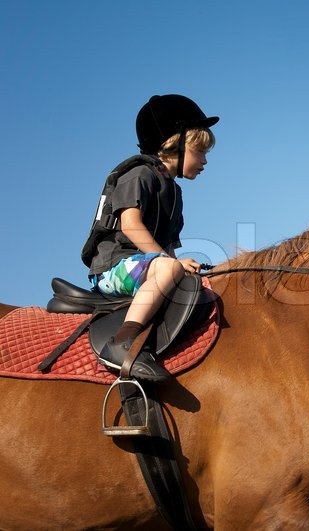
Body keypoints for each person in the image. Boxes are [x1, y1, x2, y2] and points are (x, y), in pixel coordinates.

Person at [85, 94, 218, 383]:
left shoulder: (174, 193)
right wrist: (170, 264)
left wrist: (178, 265)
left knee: (184, 275)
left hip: (146, 266)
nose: (205, 160)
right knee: (170, 267)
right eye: (200, 150)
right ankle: (122, 342)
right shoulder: (139, 175)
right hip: (113, 269)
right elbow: (131, 226)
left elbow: (168, 248)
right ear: (174, 145)